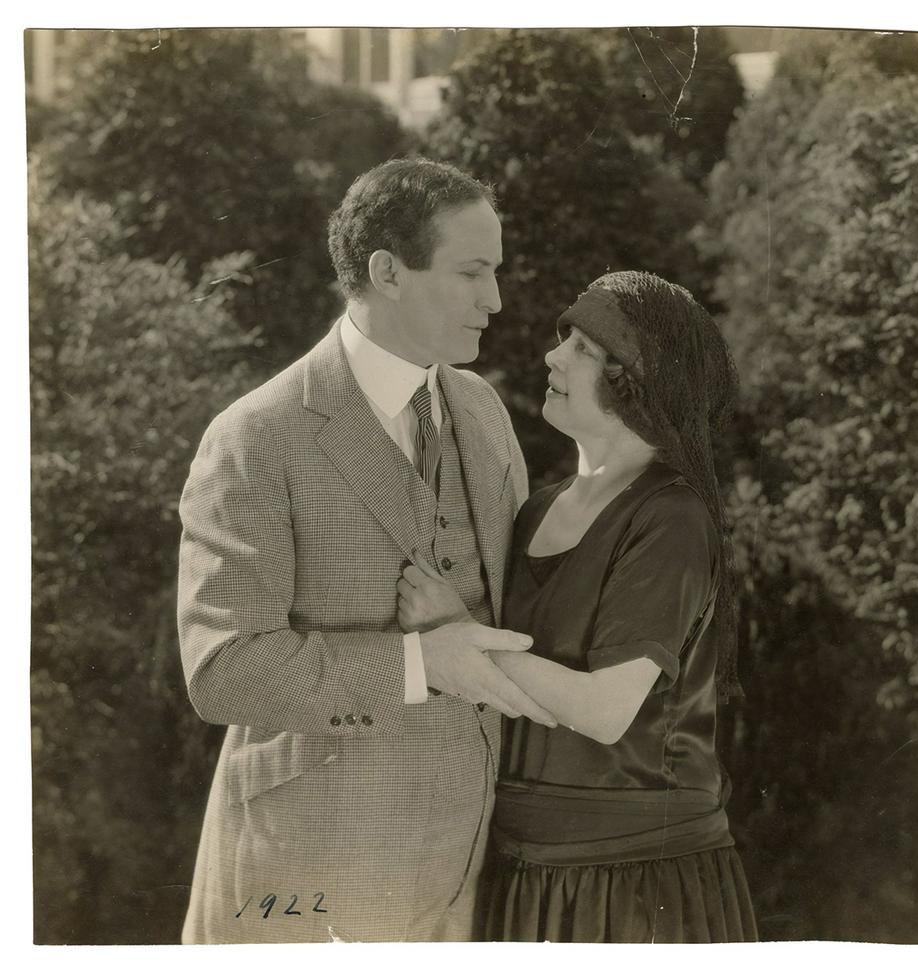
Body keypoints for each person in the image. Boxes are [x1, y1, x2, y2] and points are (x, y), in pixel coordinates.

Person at [176, 157, 557, 944]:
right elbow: (223, 671)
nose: (495, 299)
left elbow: (520, 614)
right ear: (387, 271)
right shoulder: (255, 437)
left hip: (466, 879)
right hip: (302, 884)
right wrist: (425, 665)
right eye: (471, 273)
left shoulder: (483, 414)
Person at [396, 270, 758, 942]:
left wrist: (455, 632)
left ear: (638, 385)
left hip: (636, 885)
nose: (552, 356)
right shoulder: (536, 509)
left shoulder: (671, 519)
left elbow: (601, 710)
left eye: (585, 349)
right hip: (522, 874)